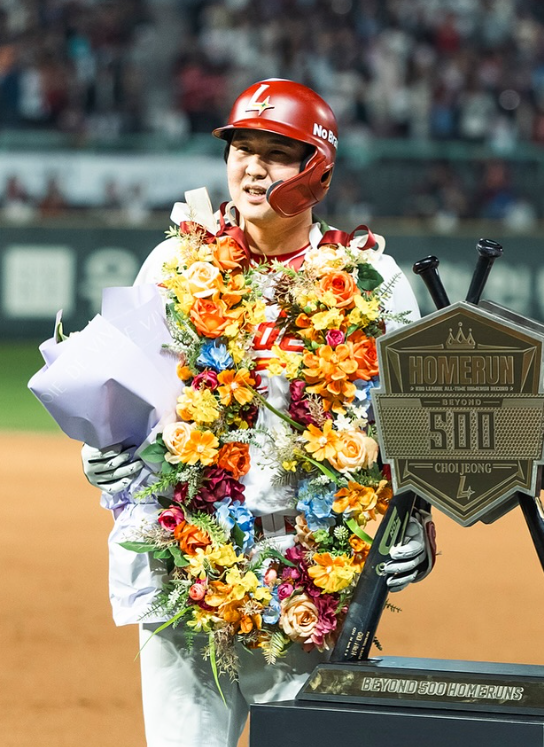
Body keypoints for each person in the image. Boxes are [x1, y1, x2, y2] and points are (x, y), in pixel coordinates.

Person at [79, 79, 434, 747]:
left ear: (317, 172)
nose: (252, 168)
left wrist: (418, 522)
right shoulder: (175, 263)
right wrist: (100, 453)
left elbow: (410, 425)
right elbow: (120, 399)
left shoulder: (372, 281)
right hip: (187, 570)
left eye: (276, 153)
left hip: (313, 577)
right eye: (242, 149)